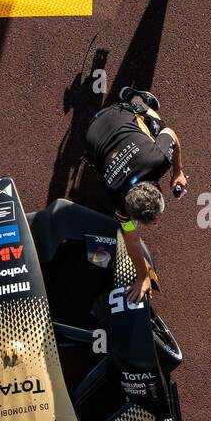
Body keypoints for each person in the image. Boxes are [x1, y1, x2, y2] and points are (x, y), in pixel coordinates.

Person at [83, 87, 188, 303]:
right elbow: (131, 241)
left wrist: (177, 171)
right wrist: (142, 276)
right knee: (154, 129)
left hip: (109, 119)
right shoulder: (117, 199)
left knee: (159, 127)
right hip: (91, 133)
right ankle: (137, 103)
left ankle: (138, 102)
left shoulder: (157, 161)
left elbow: (171, 135)